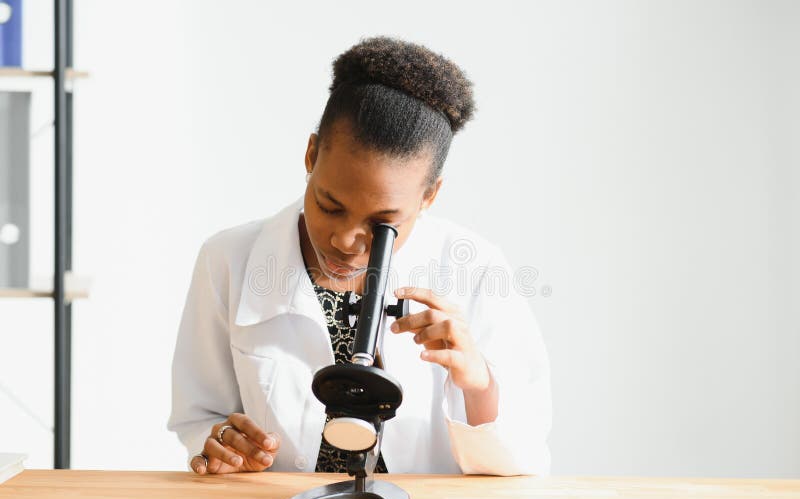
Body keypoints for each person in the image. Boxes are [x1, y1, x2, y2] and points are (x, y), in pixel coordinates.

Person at [167, 35, 552, 476]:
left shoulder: (475, 268)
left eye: (382, 224)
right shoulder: (228, 259)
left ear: (429, 197)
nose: (347, 241)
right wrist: (223, 444)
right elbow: (199, 418)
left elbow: (524, 457)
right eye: (330, 206)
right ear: (311, 155)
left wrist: (478, 382)